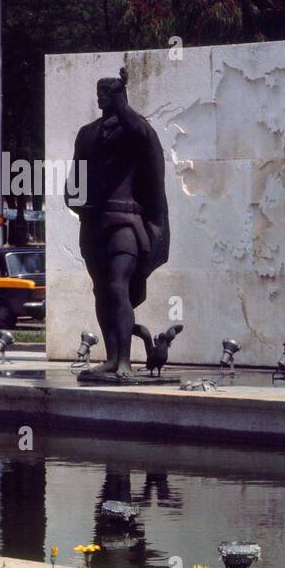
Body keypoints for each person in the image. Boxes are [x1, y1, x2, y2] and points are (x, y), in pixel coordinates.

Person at [67, 68, 170, 381]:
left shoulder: (134, 130)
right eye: (99, 93)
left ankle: (125, 360)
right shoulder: (87, 133)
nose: (101, 98)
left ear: (119, 96)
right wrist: (75, 200)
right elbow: (75, 181)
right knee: (102, 291)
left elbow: (144, 139)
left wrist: (124, 106)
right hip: (94, 223)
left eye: (107, 93)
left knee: (117, 286)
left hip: (126, 221)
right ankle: (112, 358)